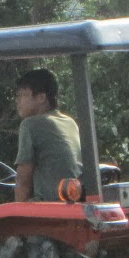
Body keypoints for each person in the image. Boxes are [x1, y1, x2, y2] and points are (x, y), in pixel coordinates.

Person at [13, 68, 82, 203]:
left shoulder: (31, 124)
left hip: (49, 204)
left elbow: (23, 179)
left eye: (22, 95)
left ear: (41, 98)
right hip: (74, 199)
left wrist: (17, 215)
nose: (17, 101)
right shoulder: (69, 122)